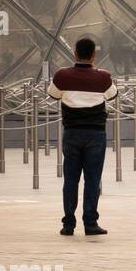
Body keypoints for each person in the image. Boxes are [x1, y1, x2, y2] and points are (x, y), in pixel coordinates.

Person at [48, 37, 118, 237]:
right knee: (93, 179)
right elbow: (112, 95)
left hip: (71, 133)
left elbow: (53, 94)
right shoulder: (103, 77)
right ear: (94, 54)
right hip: (95, 134)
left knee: (70, 179)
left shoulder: (62, 75)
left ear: (75, 53)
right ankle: (90, 223)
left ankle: (68, 224)